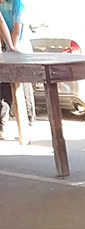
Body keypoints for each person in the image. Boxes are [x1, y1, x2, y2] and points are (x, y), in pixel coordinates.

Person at [0, 0, 36, 140]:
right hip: (8, 50)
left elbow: (17, 29)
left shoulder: (17, 5)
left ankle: (28, 121)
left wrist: (13, 48)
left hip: (20, 48)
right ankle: (1, 124)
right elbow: (1, 26)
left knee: (23, 85)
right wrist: (5, 48)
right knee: (4, 86)